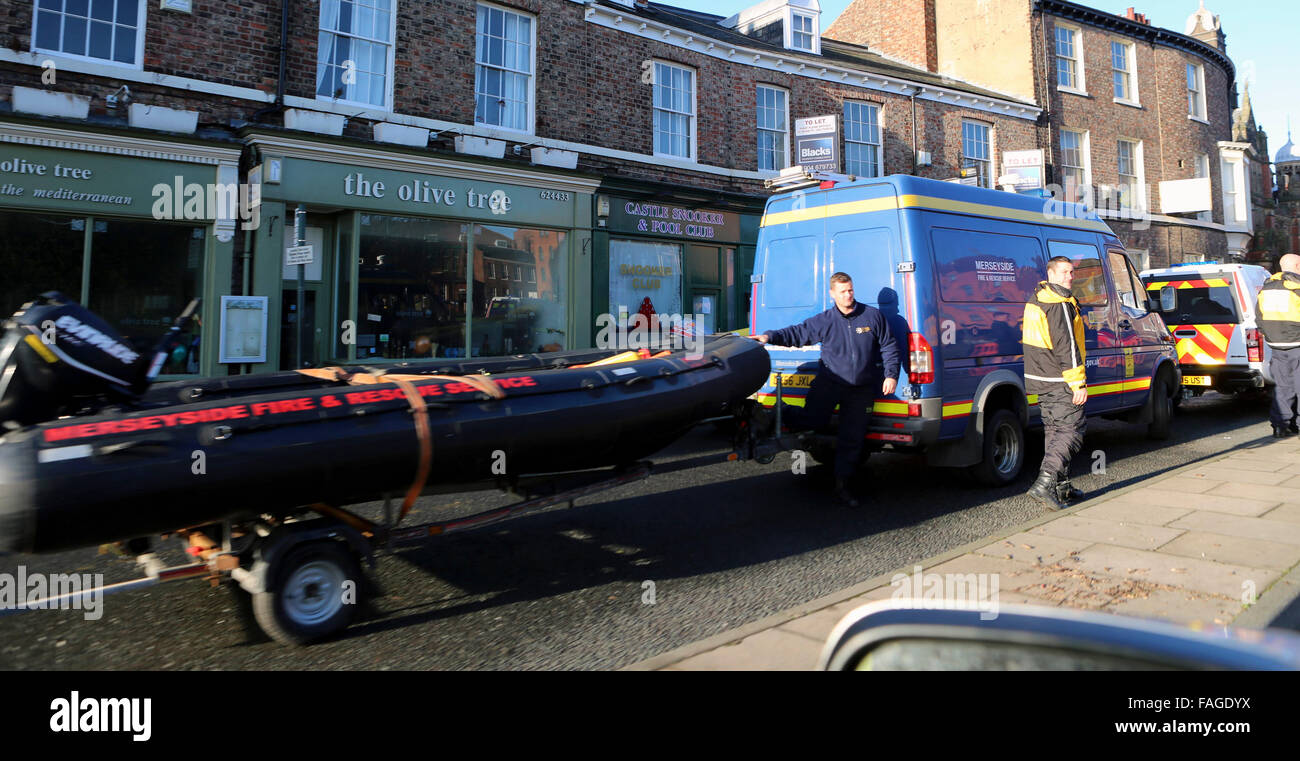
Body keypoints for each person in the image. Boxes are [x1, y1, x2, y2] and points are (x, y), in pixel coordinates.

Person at [751, 273, 901, 507]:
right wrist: (770, 336)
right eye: (843, 291)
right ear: (832, 294)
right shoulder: (826, 320)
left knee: (853, 439)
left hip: (860, 389)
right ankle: (779, 412)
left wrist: (891, 374)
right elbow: (797, 334)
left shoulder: (872, 316)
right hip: (830, 383)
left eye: (850, 290)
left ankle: (843, 485)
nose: (848, 295)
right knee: (813, 420)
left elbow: (889, 345)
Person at [1023, 256, 1088, 510]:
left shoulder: (1037, 299)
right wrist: (1077, 383)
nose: (1069, 277)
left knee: (1054, 431)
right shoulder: (1058, 303)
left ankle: (1061, 488)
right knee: (1072, 430)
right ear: (1050, 273)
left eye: (1071, 272)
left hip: (1041, 379)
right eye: (1063, 272)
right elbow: (1067, 347)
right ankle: (1044, 484)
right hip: (1060, 377)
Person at [1255, 254, 1300, 438]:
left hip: (1276, 345)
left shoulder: (1266, 289)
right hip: (1298, 343)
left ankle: (1280, 425)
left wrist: (1269, 335)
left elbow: (1259, 317)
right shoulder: (1297, 287)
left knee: (1283, 386)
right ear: (1297, 265)